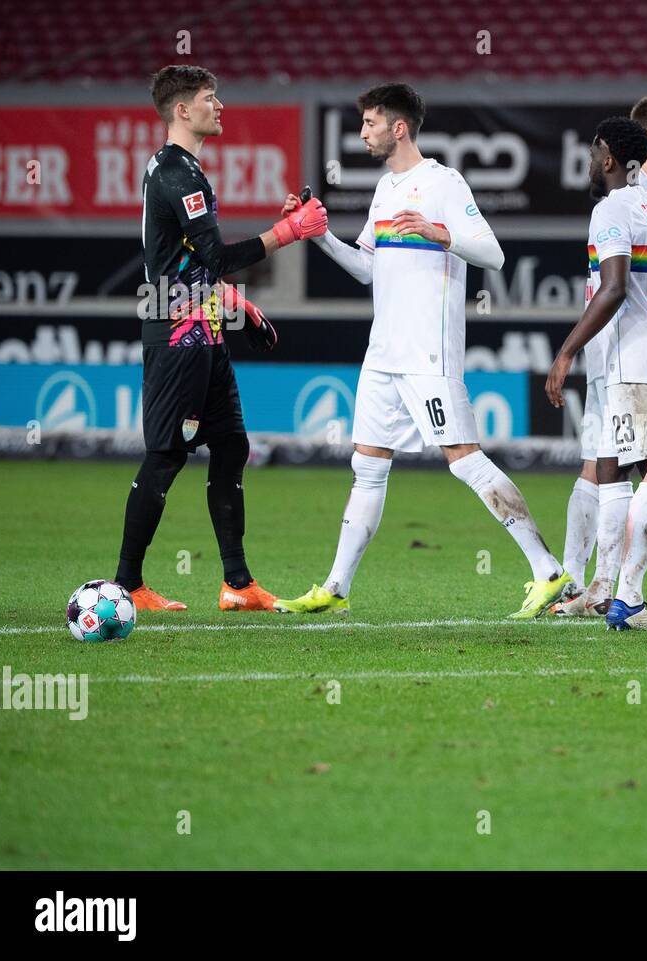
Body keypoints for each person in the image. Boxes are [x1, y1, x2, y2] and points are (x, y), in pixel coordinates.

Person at [275, 83, 569, 619]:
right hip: (383, 355)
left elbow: (494, 254)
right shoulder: (385, 188)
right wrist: (318, 237)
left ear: (398, 127)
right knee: (367, 466)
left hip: (428, 356)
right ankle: (336, 588)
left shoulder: (443, 183)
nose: (362, 132)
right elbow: (368, 267)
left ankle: (548, 571)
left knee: (463, 461)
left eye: (369, 123)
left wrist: (440, 233)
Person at [116, 65, 325, 612]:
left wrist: (235, 302)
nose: (221, 105)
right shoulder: (177, 175)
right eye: (211, 98)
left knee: (231, 447)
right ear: (182, 110)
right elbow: (217, 257)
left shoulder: (183, 169)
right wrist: (289, 232)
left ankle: (236, 583)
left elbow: (193, 264)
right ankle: (127, 586)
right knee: (165, 456)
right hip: (177, 334)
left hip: (202, 327)